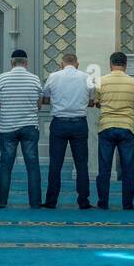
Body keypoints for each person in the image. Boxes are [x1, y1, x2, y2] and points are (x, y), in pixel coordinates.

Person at [42, 52, 93, 209]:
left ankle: (51, 201)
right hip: (79, 123)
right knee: (81, 164)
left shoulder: (53, 76)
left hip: (59, 123)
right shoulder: (86, 77)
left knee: (55, 164)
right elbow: (91, 102)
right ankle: (83, 201)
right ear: (77, 64)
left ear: (61, 63)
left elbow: (45, 99)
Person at [0, 48, 43, 209]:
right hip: (30, 127)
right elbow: (39, 105)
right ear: (26, 63)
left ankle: (1, 201)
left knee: (6, 165)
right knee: (32, 165)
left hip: (8, 127)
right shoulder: (34, 79)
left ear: (11, 63)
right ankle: (35, 202)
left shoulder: (2, 78)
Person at [94, 52, 134, 210]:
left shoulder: (100, 81)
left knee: (104, 167)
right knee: (128, 167)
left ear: (110, 64)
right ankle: (127, 203)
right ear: (126, 65)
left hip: (106, 126)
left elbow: (97, 103)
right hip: (127, 127)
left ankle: (103, 202)